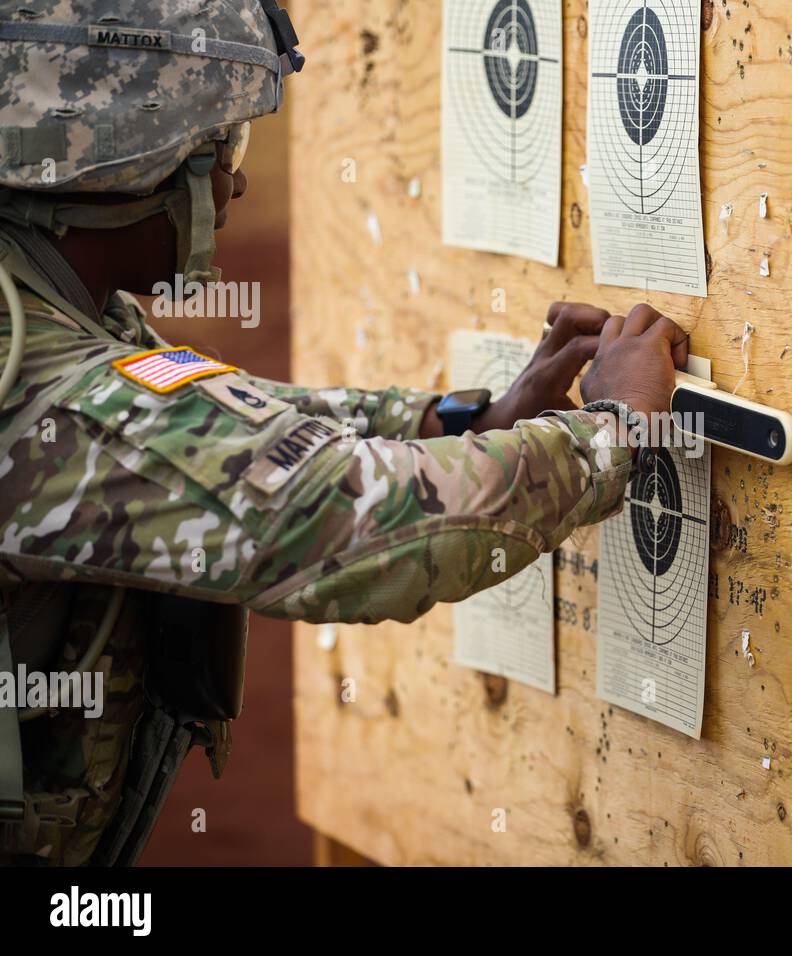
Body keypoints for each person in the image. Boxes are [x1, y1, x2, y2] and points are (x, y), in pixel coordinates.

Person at [0, 0, 686, 865]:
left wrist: (464, 419)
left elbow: (224, 414)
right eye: (223, 152)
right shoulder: (51, 392)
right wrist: (611, 430)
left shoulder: (40, 309)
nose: (236, 184)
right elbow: (353, 524)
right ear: (128, 168)